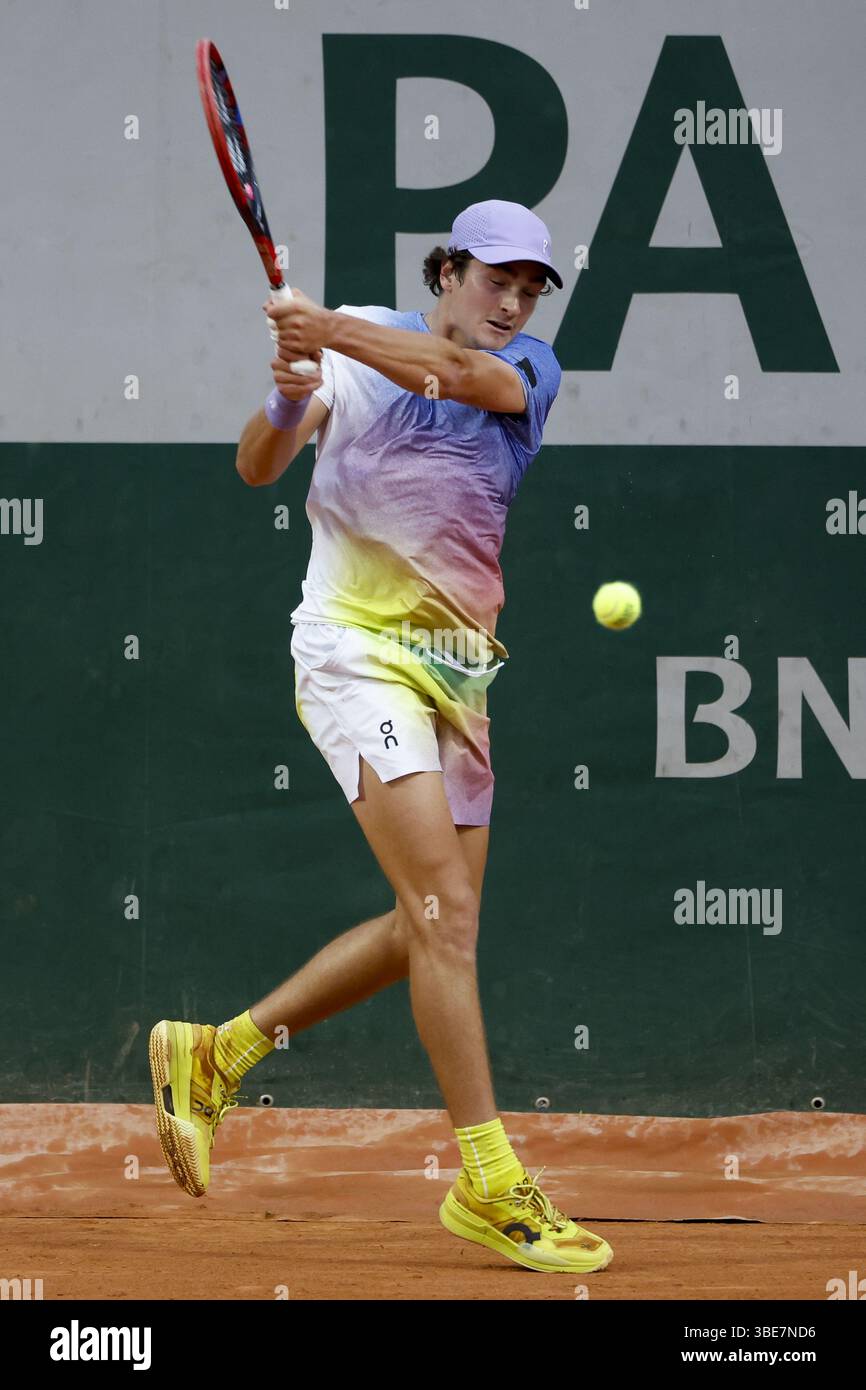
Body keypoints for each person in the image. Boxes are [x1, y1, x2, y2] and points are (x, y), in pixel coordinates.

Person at [149, 200, 613, 1275]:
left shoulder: (528, 371)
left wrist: (326, 331)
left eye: (528, 288)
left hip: (459, 673)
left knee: (433, 924)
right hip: (353, 651)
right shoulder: (358, 345)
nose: (512, 303)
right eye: (494, 279)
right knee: (443, 914)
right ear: (445, 271)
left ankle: (217, 1055)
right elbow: (258, 466)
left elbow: (452, 376)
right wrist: (288, 393)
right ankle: (488, 1179)